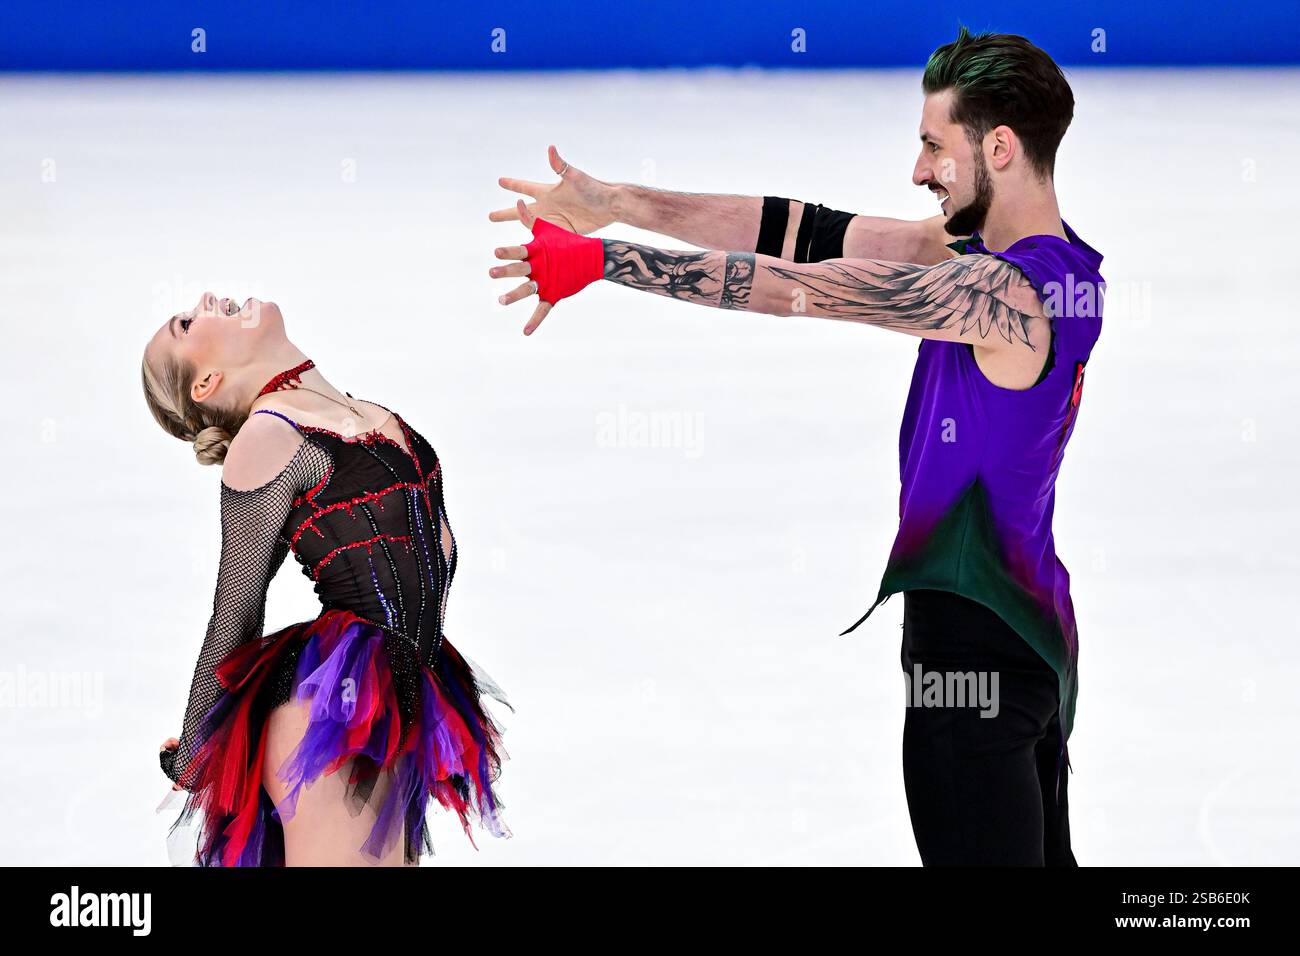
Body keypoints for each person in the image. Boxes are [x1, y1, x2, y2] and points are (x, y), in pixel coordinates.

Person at [489, 27, 1101, 865]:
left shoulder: (1003, 292)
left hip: (972, 671)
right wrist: (619, 203)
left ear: (998, 147)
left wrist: (607, 262)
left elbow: (805, 292)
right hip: (1029, 647)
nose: (918, 170)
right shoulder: (1048, 269)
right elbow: (803, 233)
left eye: (934, 146)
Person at [141, 292, 509, 866]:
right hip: (329, 708)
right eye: (186, 324)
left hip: (397, 689)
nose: (206, 300)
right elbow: (237, 607)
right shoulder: (268, 436)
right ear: (207, 382)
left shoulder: (363, 411)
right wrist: (197, 751)